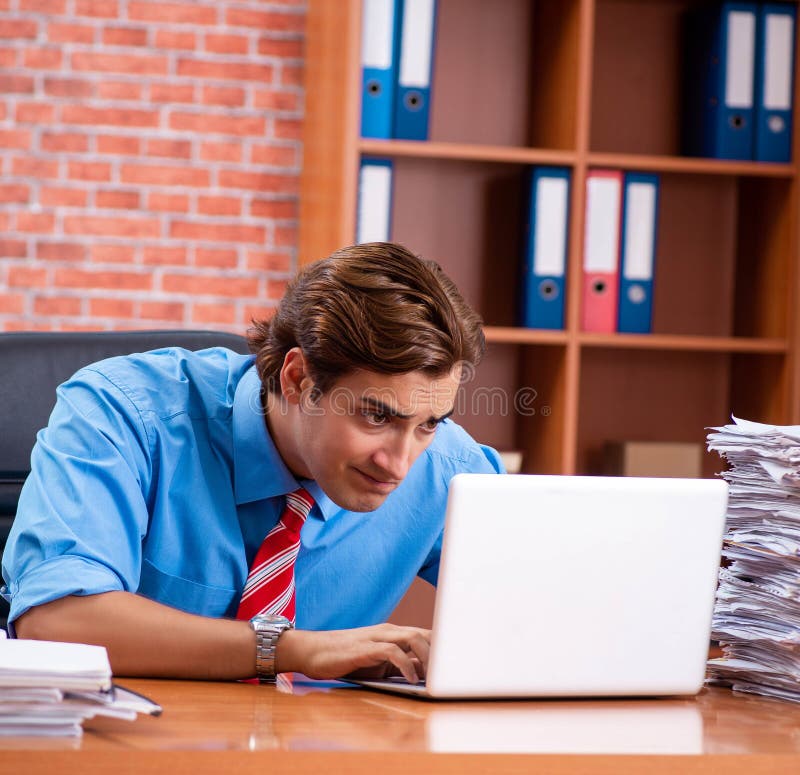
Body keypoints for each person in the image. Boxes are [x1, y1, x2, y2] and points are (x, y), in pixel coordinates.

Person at [2, 242, 503, 683]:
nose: (399, 463)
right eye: (376, 416)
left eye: (428, 423)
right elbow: (54, 619)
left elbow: (550, 606)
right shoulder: (123, 415)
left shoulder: (448, 468)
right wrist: (293, 650)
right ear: (298, 379)